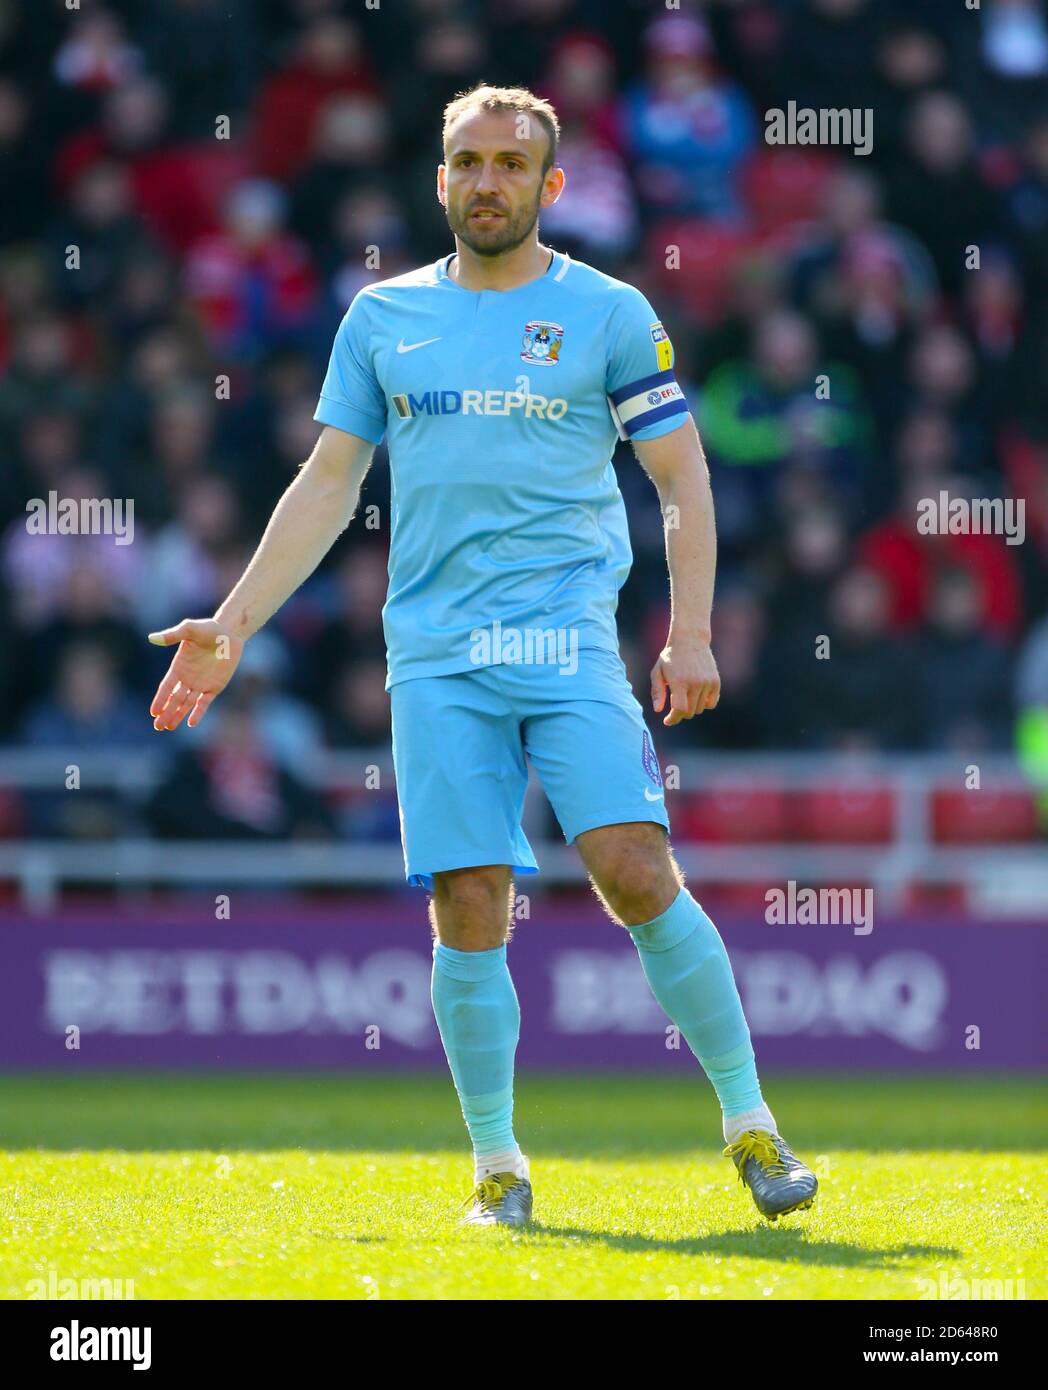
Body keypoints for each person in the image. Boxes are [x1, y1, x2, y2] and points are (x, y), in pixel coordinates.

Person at [147, 84, 817, 1228]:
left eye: (513, 163)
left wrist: (692, 627)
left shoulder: (608, 313)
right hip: (438, 654)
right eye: (469, 162)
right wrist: (234, 622)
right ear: (441, 179)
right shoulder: (380, 318)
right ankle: (499, 1168)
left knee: (634, 868)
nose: (489, 180)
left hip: (566, 644)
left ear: (550, 186)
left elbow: (681, 475)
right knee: (469, 900)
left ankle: (752, 1127)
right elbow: (327, 483)